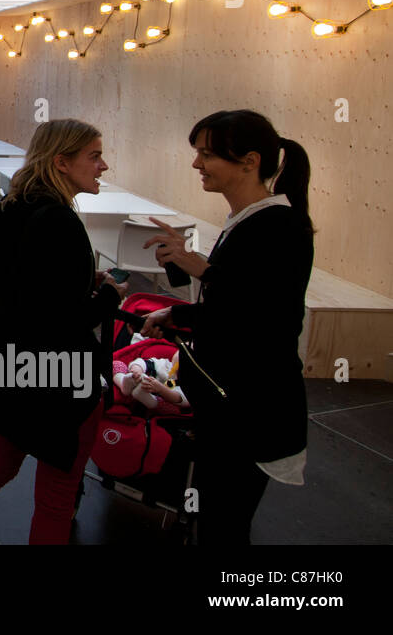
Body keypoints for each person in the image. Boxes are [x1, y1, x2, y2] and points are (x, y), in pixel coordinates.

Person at [0, 119, 127, 545]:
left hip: (15, 364)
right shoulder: (60, 221)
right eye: (94, 156)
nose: (103, 166)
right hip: (62, 375)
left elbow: (23, 284)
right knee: (57, 493)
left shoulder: (13, 204)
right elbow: (65, 318)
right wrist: (110, 295)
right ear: (62, 162)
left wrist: (82, 279)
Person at [140, 110, 313, 545]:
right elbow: (234, 308)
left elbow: (272, 320)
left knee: (224, 524)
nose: (196, 164)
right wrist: (178, 314)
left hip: (254, 409)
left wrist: (204, 269)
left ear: (250, 161)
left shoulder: (281, 225)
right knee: (215, 518)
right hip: (227, 404)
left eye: (206, 154)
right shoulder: (247, 221)